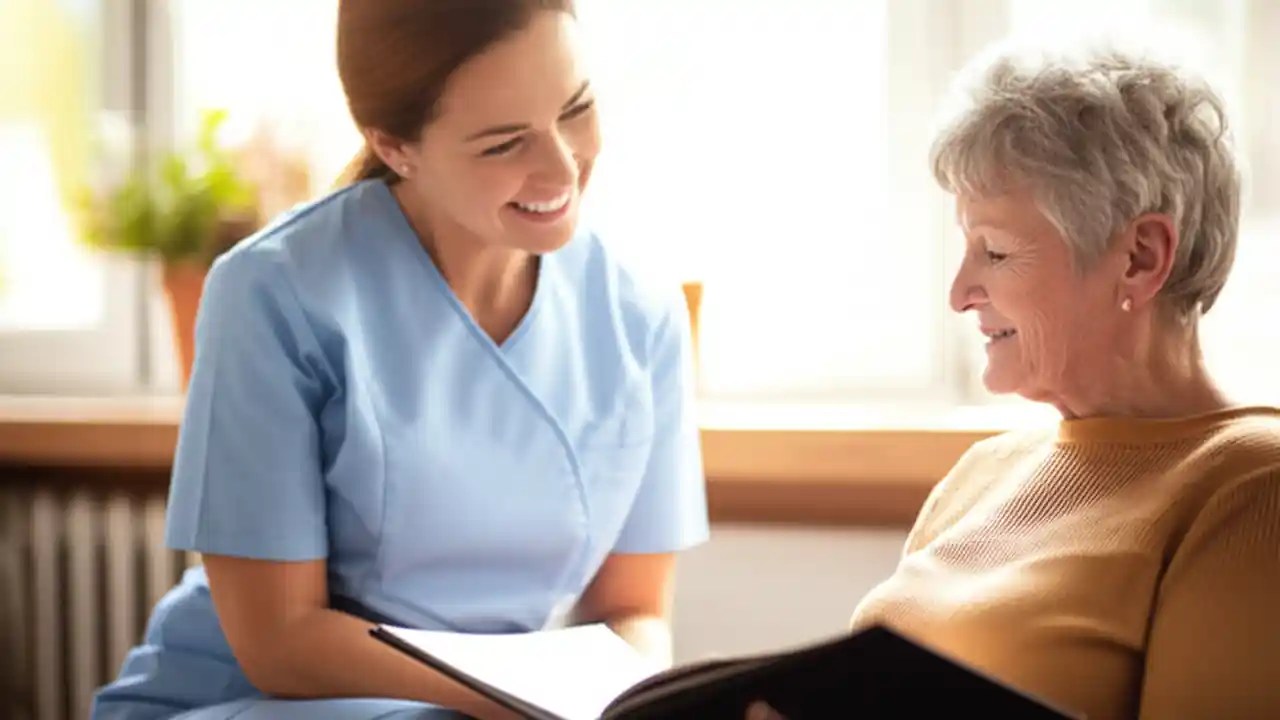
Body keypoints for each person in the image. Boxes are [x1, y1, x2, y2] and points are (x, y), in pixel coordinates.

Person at [91, 2, 709, 718]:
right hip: (263, 700)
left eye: (576, 107)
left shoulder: (641, 313)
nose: (561, 166)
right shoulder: (274, 292)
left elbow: (634, 613)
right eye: (505, 143)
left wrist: (632, 706)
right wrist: (511, 705)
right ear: (395, 146)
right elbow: (279, 642)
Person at [751, 42, 1280, 720]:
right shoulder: (984, 472)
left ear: (1141, 258)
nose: (960, 292)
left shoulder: (1252, 485)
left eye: (995, 252)